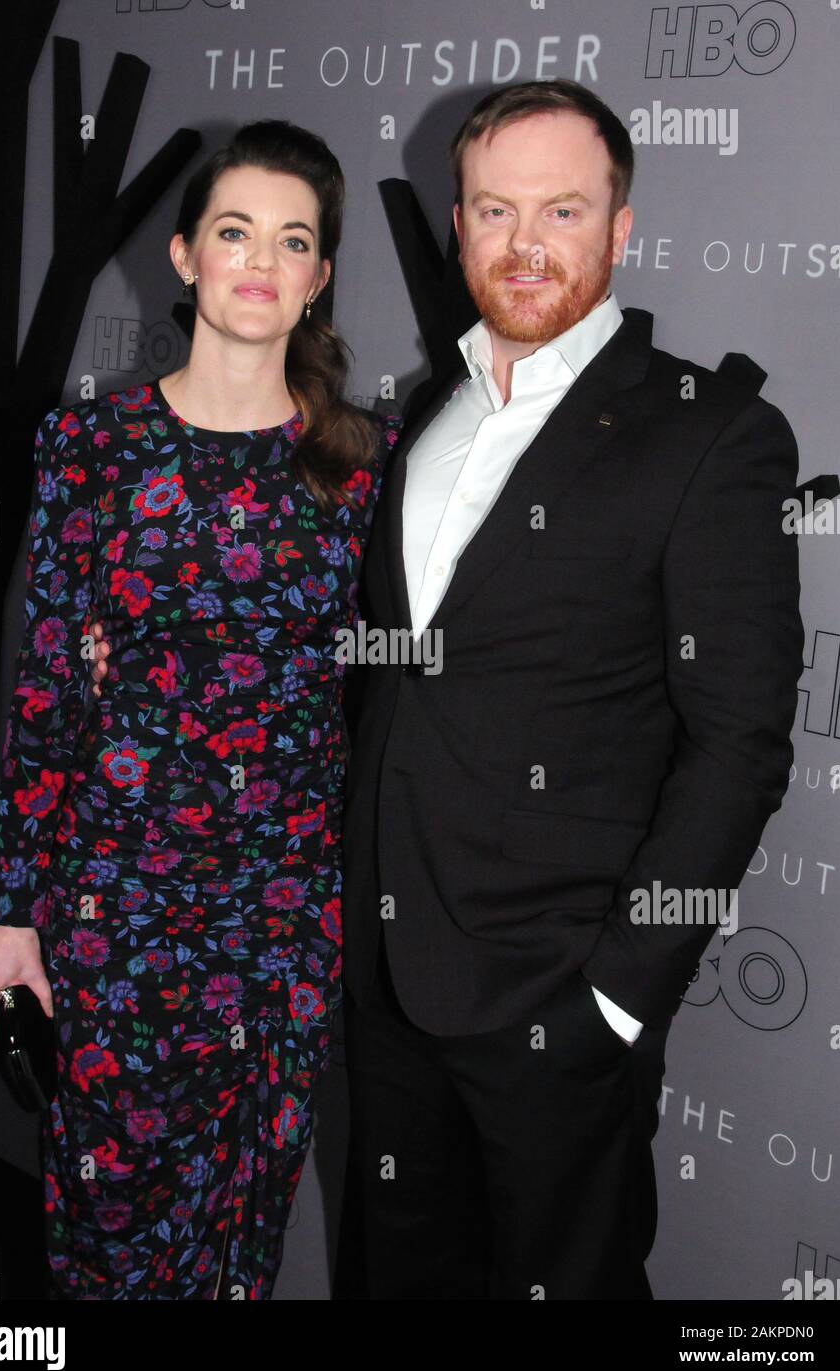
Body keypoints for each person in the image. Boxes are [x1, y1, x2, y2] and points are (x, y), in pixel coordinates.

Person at [335, 79, 803, 1299]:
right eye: (493, 211)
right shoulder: (421, 414)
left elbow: (738, 743)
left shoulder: (709, 431)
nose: (523, 243)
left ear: (620, 229)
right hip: (383, 975)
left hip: (556, 999)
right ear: (458, 224)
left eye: (560, 210)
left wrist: (615, 996)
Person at [0, 119, 402, 1300]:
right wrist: (12, 915)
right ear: (184, 256)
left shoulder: (365, 462)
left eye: (293, 240)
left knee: (239, 1238)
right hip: (117, 907)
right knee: (110, 1227)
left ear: (317, 278)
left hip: (282, 917)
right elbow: (49, 690)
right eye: (234, 231)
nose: (260, 260)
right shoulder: (90, 445)